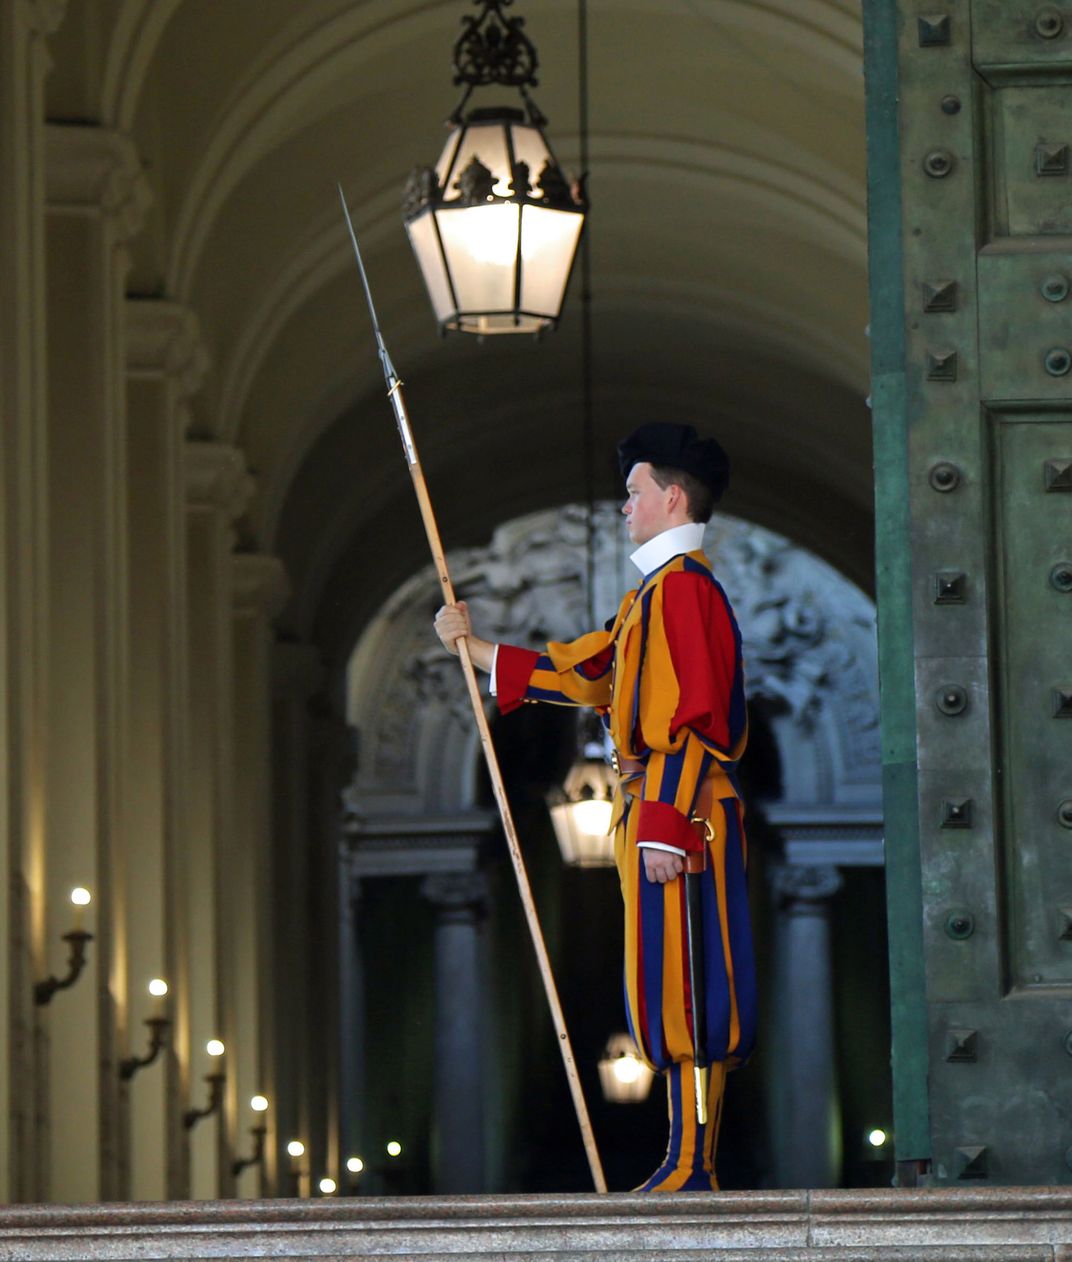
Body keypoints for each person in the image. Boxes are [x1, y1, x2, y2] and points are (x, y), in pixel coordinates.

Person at [434, 421, 755, 1192]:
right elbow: (590, 672)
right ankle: (682, 1157)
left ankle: (692, 1163)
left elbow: (693, 721)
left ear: (672, 497)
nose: (625, 506)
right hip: (657, 812)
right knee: (663, 982)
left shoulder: (683, 591)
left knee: (690, 988)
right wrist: (472, 649)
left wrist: (666, 826)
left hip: (684, 816)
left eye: (634, 492)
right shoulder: (653, 596)